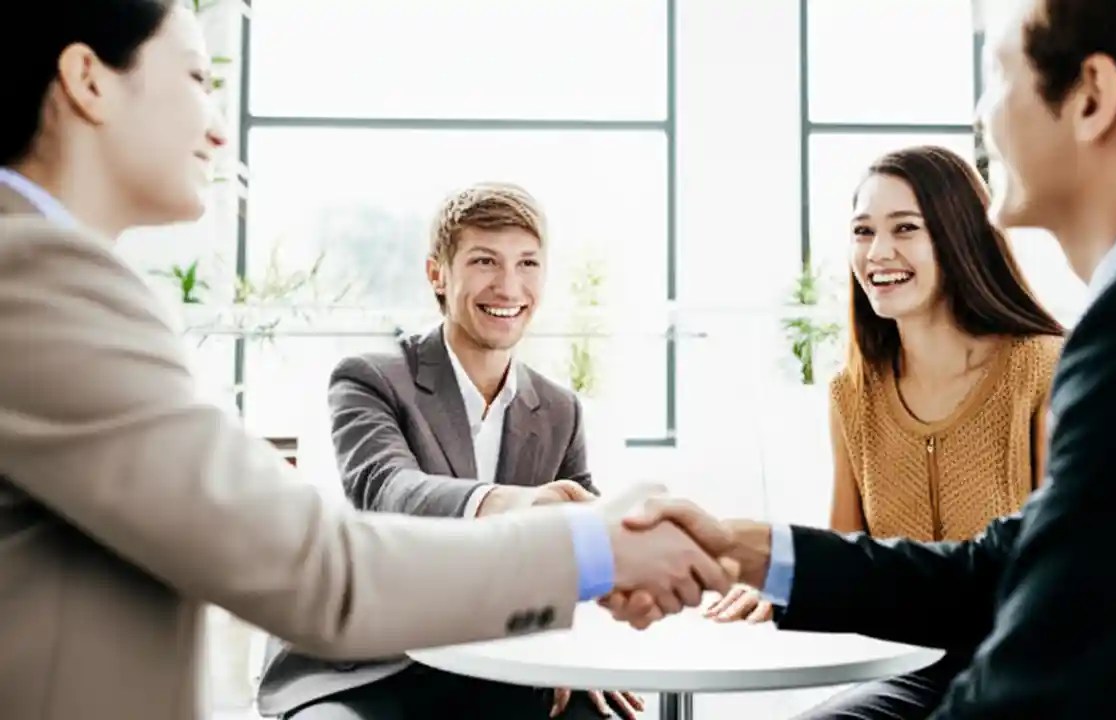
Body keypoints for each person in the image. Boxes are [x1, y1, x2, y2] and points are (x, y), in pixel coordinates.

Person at [0, 3, 734, 719]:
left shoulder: (51, 276)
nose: (220, 130)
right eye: (197, 79)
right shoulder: (35, 280)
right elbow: (321, 570)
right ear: (88, 80)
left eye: (528, 265)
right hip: (373, 672)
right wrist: (593, 549)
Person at [611, 0, 1116, 716]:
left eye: (996, 77)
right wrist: (754, 550)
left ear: (1091, 96)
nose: (981, 118)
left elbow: (1047, 674)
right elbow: (1009, 568)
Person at [258, 183, 643, 719]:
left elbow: (585, 547)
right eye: (485, 261)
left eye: (527, 263)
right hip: (371, 666)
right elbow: (386, 490)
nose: (509, 287)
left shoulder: (560, 409)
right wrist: (517, 506)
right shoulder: (371, 378)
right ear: (437, 273)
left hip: (506, 661)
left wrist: (579, 653)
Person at [706, 145, 1063, 718]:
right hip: (918, 672)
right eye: (862, 231)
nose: (879, 252)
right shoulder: (854, 394)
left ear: (959, 236)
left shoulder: (1043, 368)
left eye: (906, 229)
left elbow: (1061, 572)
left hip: (1036, 670)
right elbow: (851, 555)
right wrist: (781, 581)